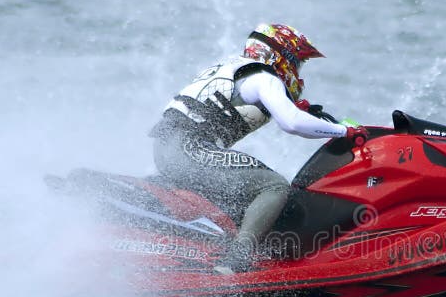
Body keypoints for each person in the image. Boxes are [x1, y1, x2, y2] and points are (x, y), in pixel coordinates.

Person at [150, 23, 368, 274]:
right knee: (273, 186)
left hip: (169, 148)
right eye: (297, 62)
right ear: (280, 56)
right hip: (189, 148)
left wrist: (297, 107)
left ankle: (212, 250)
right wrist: (345, 131)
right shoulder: (264, 78)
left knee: (241, 191)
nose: (298, 72)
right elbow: (292, 123)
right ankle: (236, 261)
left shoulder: (233, 68)